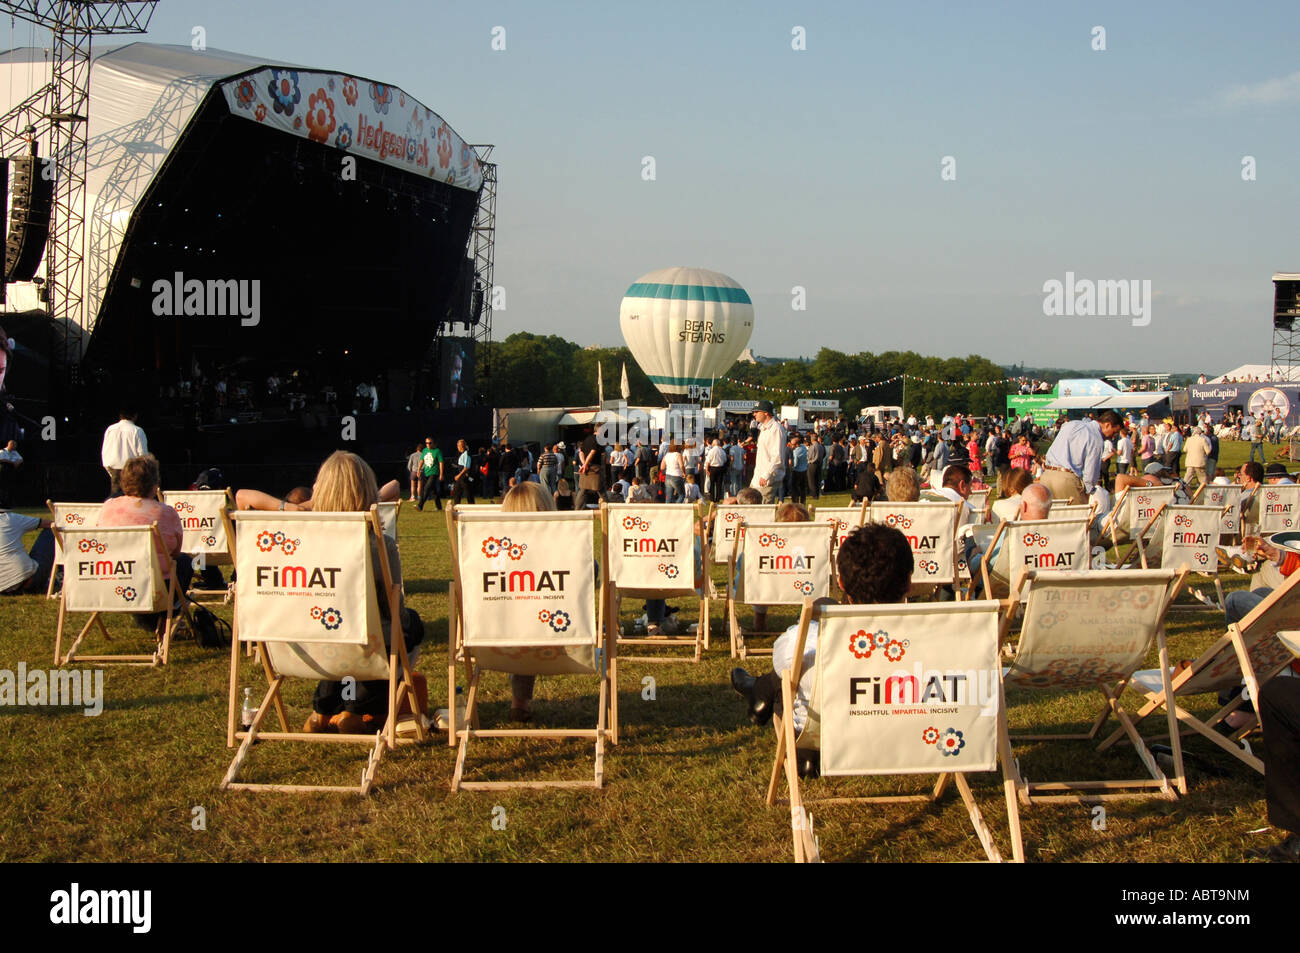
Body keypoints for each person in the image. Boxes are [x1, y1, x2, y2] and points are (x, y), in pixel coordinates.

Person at [729, 521, 914, 778]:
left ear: (841, 582)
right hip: (906, 732)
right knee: (824, 608)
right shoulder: (936, 638)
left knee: (790, 675)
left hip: (825, 734)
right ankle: (759, 693)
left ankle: (781, 720)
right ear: (908, 583)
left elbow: (780, 659)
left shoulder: (807, 642)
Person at [302, 451, 425, 734]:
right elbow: (393, 607)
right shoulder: (378, 545)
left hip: (310, 643)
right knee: (404, 626)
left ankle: (322, 710)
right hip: (364, 641)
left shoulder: (301, 542)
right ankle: (354, 711)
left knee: (345, 632)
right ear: (367, 491)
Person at [96, 454, 191, 621]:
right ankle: (165, 617)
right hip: (155, 589)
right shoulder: (165, 513)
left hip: (112, 583)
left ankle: (152, 619)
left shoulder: (108, 507)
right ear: (155, 485)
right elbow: (175, 553)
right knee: (184, 562)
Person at [1038, 410, 1123, 504]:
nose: (1113, 437)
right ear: (1107, 425)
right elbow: (1091, 473)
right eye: (1114, 432)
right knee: (1077, 517)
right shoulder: (1096, 438)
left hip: (1046, 477)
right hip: (1066, 481)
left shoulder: (1071, 424)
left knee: (1052, 517)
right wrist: (1088, 492)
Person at [0, 505, 54, 594]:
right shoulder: (10, 518)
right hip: (26, 581)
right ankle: (60, 572)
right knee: (52, 531)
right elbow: (51, 524)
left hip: (3, 588)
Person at [101, 407, 149, 497]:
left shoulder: (110, 429)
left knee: (116, 499)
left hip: (114, 468)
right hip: (132, 470)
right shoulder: (137, 430)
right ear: (135, 416)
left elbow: (105, 451)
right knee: (132, 498)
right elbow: (143, 455)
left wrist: (109, 469)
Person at [749, 400, 786, 503]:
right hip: (758, 477)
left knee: (763, 512)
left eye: (757, 411)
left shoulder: (776, 429)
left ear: (766, 413)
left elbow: (777, 456)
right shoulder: (763, 429)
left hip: (767, 480)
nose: (754, 414)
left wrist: (766, 475)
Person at [574, 426, 604, 510]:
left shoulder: (587, 439)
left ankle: (577, 509)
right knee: (601, 489)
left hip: (586, 468)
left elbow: (581, 452)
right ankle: (607, 509)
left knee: (583, 490)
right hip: (594, 468)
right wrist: (586, 464)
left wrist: (584, 464)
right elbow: (593, 452)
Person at [416, 437, 444, 511]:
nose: (428, 444)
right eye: (426, 443)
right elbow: (422, 461)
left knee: (426, 488)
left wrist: (441, 474)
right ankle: (439, 507)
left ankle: (420, 506)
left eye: (429, 443)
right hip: (426, 473)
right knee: (433, 491)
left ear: (433, 443)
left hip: (434, 473)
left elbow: (441, 462)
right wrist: (418, 470)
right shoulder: (424, 450)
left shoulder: (437, 451)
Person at [451, 438, 475, 504]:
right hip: (461, 477)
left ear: (461, 446)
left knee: (468, 494)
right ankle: (456, 507)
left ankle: (472, 507)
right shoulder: (462, 454)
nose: (457, 447)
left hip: (464, 477)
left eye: (458, 445)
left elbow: (466, 467)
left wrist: (459, 475)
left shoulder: (466, 454)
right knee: (456, 492)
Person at [0, 439, 21, 508]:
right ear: (10, 445)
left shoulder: (14, 452)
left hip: (11, 472)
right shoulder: (2, 451)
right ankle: (2, 503)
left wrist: (17, 463)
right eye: (14, 445)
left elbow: (20, 459)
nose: (15, 447)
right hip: (3, 471)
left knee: (10, 488)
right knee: (3, 488)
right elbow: (2, 459)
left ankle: (9, 503)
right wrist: (12, 463)